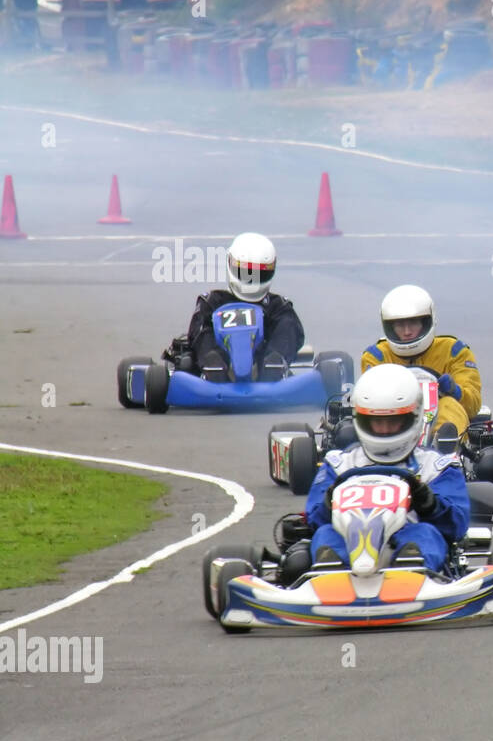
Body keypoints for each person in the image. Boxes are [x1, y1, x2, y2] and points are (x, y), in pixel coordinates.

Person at [301, 363, 469, 572]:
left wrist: (429, 503)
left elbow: (457, 524)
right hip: (348, 541)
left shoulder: (435, 467)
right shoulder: (339, 464)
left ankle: (411, 567)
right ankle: (332, 571)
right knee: (325, 534)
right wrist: (328, 503)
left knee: (426, 533)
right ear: (361, 420)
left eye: (394, 421)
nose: (385, 430)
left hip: (408, 539)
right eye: (376, 422)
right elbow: (313, 520)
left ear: (413, 418)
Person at [361, 285, 482, 438]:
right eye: (399, 325)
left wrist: (454, 391)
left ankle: (444, 449)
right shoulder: (377, 356)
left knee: (449, 405)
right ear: (389, 326)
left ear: (426, 322)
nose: (407, 332)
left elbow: (473, 405)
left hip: (441, 423)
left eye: (413, 323)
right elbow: (371, 403)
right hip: (394, 425)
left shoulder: (454, 351)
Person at [186, 232, 305, 380]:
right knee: (203, 331)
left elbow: (292, 332)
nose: (251, 280)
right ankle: (213, 363)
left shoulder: (277, 306)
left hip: (265, 367)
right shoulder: (212, 302)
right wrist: (211, 356)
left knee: (287, 323)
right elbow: (197, 333)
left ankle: (275, 363)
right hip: (219, 368)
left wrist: (276, 354)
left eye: (259, 273)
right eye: (245, 272)